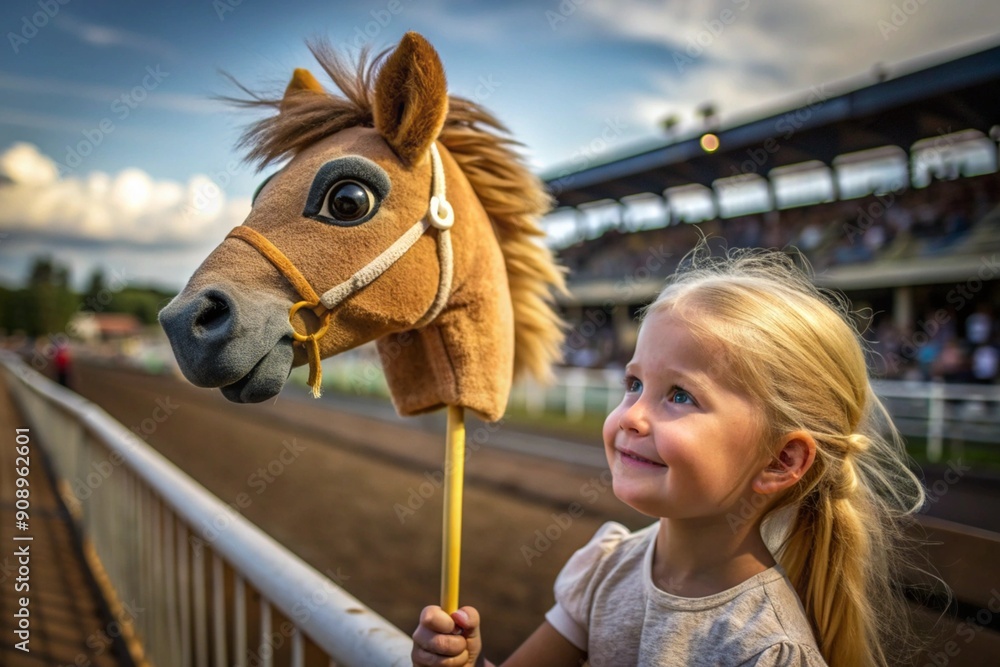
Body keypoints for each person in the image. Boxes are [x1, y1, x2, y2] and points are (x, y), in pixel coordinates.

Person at [411, 246, 926, 667]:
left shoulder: (767, 652)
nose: (632, 416)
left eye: (680, 395)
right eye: (634, 384)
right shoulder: (606, 567)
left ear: (780, 461)